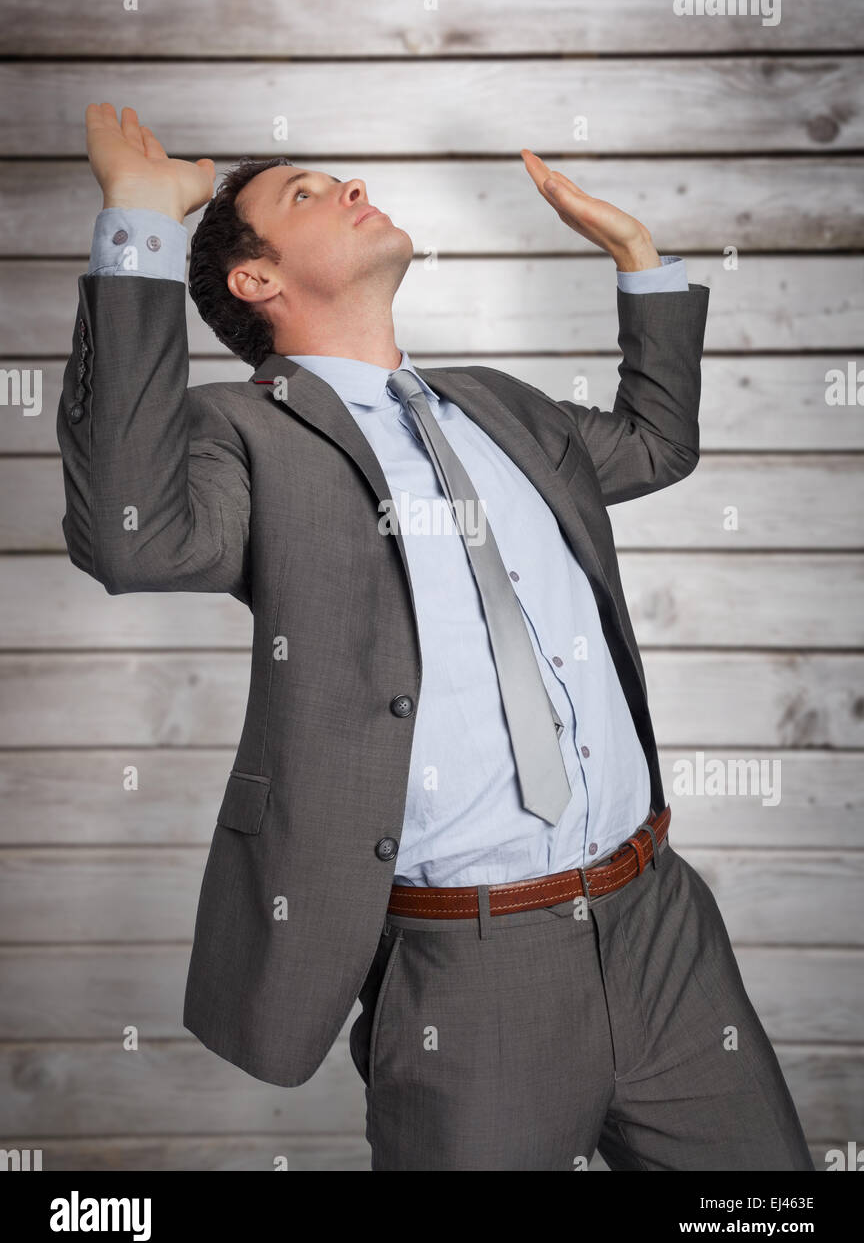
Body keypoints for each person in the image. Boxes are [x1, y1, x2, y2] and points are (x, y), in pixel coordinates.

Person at [56, 102, 813, 1171]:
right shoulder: (246, 435)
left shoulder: (496, 405)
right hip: (470, 971)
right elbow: (132, 539)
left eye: (341, 177)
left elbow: (657, 443)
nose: (352, 186)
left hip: (662, 929)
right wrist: (138, 217)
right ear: (256, 281)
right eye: (307, 194)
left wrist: (638, 257)